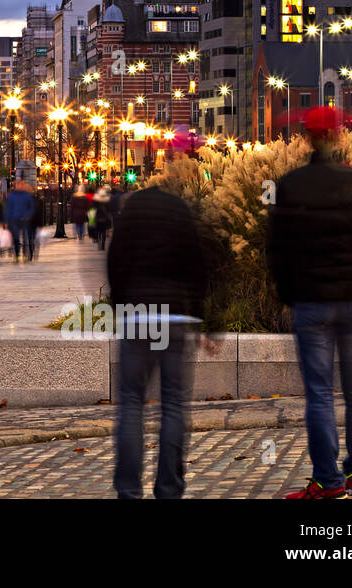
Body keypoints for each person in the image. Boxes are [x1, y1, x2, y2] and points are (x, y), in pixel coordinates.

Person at [268, 105, 352, 499]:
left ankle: (327, 481)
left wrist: (288, 294)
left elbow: (277, 249)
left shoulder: (291, 185)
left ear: (308, 137)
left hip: (312, 302)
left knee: (319, 393)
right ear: (340, 135)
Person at [108, 184, 209, 499]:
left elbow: (115, 263)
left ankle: (128, 489)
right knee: (174, 405)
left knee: (131, 404)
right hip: (175, 319)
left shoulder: (130, 214)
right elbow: (198, 266)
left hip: (138, 317)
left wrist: (121, 305)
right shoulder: (181, 213)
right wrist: (200, 314)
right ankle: (169, 488)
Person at [3, 179, 36, 261]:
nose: (20, 186)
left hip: (24, 220)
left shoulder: (27, 196)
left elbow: (31, 207)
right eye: (18, 184)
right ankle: (17, 254)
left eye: (22, 184)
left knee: (25, 239)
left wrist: (28, 215)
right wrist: (6, 220)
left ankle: (25, 254)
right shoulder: (11, 196)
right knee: (16, 238)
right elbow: (8, 209)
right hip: (14, 219)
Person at [91, 186, 114, 251]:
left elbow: (92, 209)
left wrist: (91, 219)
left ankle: (99, 243)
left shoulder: (95, 200)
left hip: (97, 218)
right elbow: (110, 210)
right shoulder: (107, 200)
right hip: (104, 218)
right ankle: (103, 244)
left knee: (98, 231)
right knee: (103, 231)